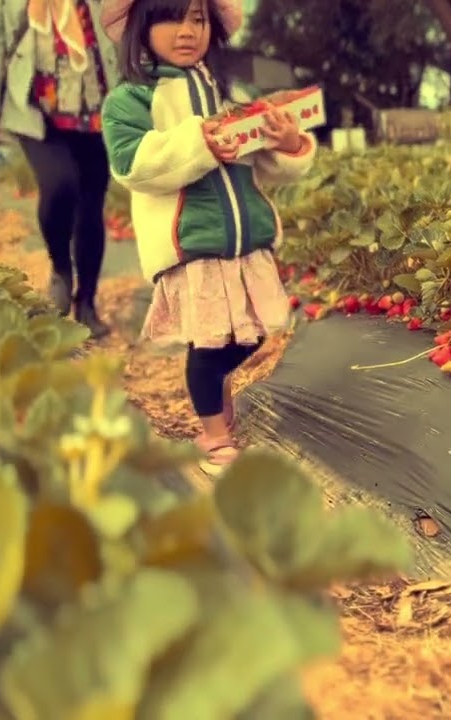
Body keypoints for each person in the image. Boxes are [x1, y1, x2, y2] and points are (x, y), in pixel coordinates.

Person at [99, 0, 317, 473]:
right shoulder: (131, 99)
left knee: (256, 332)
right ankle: (214, 437)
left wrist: (287, 144)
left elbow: (264, 162)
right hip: (192, 243)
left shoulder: (227, 94)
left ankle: (213, 387)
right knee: (209, 345)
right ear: (142, 27)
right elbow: (133, 164)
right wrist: (201, 142)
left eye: (198, 18)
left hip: (246, 242)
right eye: (171, 17)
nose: (187, 30)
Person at [0, 0, 120, 338]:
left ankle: (87, 304)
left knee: (91, 204)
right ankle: (61, 269)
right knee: (59, 184)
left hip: (98, 102)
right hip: (37, 107)